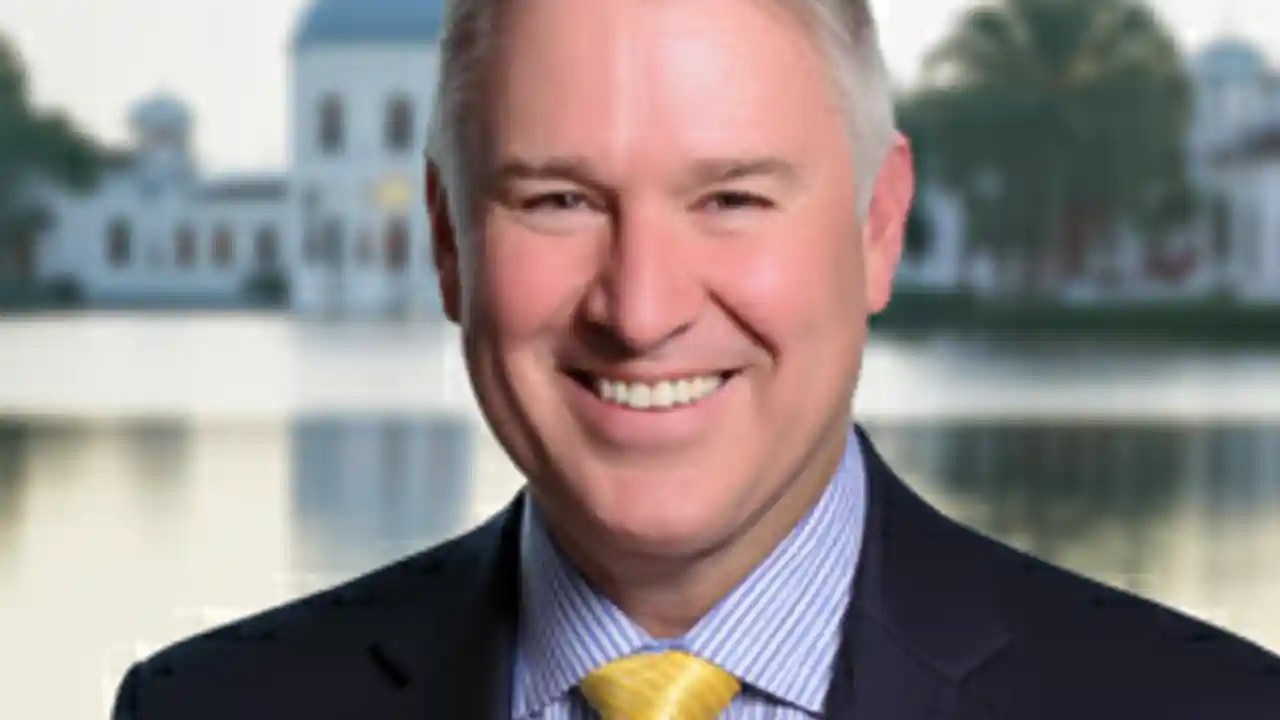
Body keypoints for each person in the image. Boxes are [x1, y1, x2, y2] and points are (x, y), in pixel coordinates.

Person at [112, 0, 1280, 717]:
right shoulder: (208, 711)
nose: (641, 307)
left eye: (728, 197)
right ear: (446, 242)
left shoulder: (1203, 713)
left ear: (878, 228)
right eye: (559, 199)